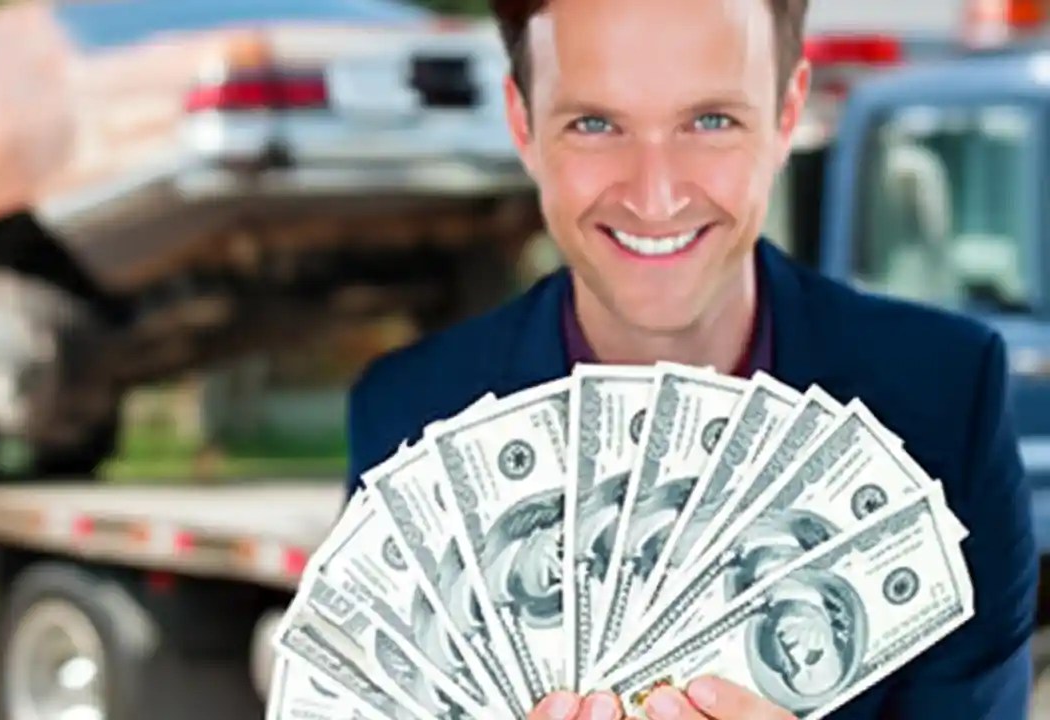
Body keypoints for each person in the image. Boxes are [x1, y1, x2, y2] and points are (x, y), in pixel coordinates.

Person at [344, 0, 1036, 717]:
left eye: (710, 121)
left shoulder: (947, 398)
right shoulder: (409, 422)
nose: (656, 195)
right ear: (523, 124)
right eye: (595, 123)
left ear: (786, 113)